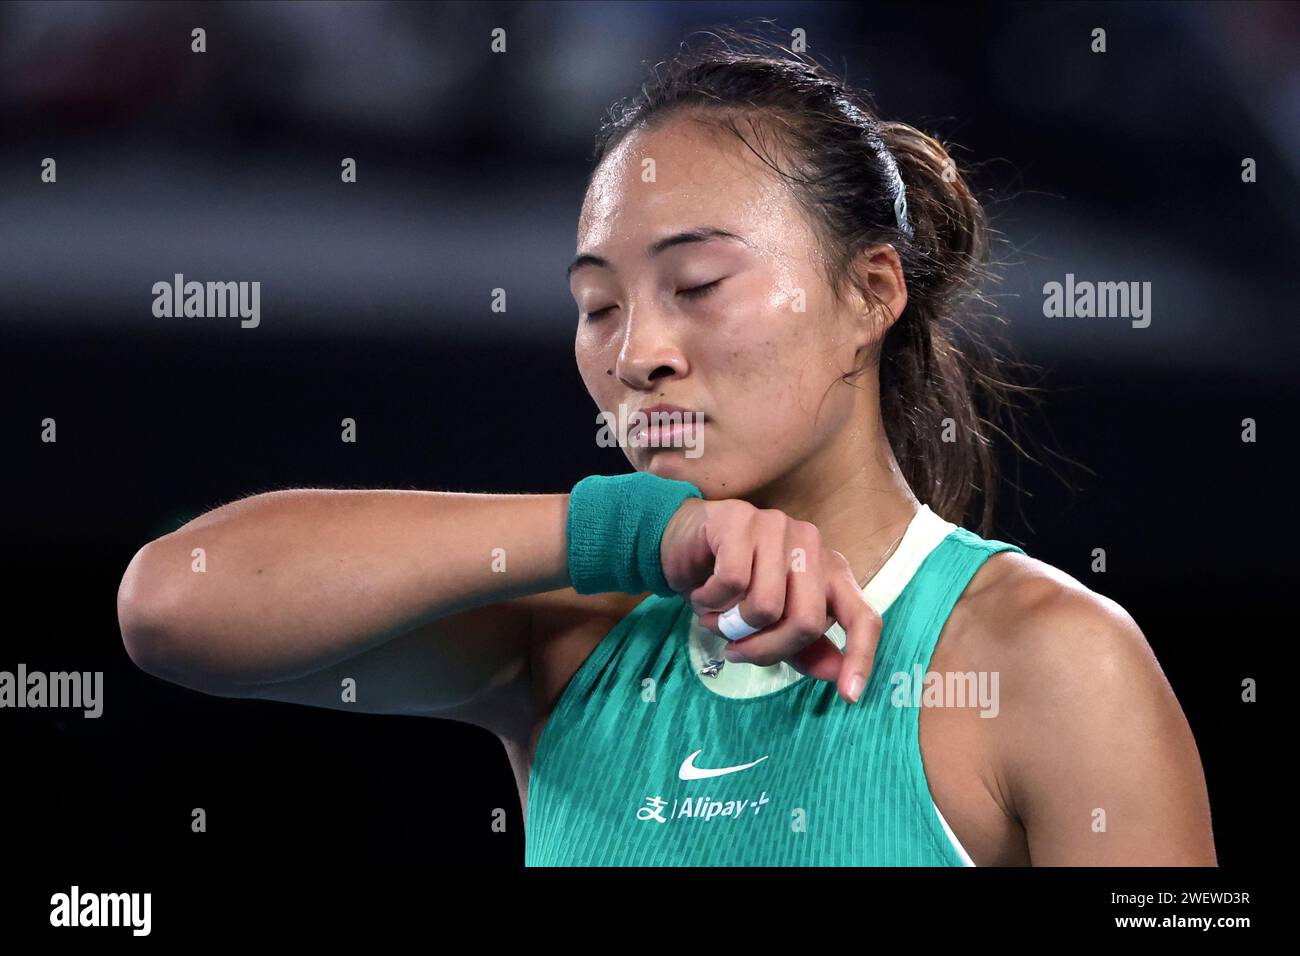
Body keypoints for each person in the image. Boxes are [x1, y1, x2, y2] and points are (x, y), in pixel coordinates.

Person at [116, 31, 1216, 866]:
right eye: (598, 306)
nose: (638, 351)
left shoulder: (1057, 658)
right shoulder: (567, 638)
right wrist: (633, 527)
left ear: (871, 290)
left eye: (697, 285)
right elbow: (172, 602)